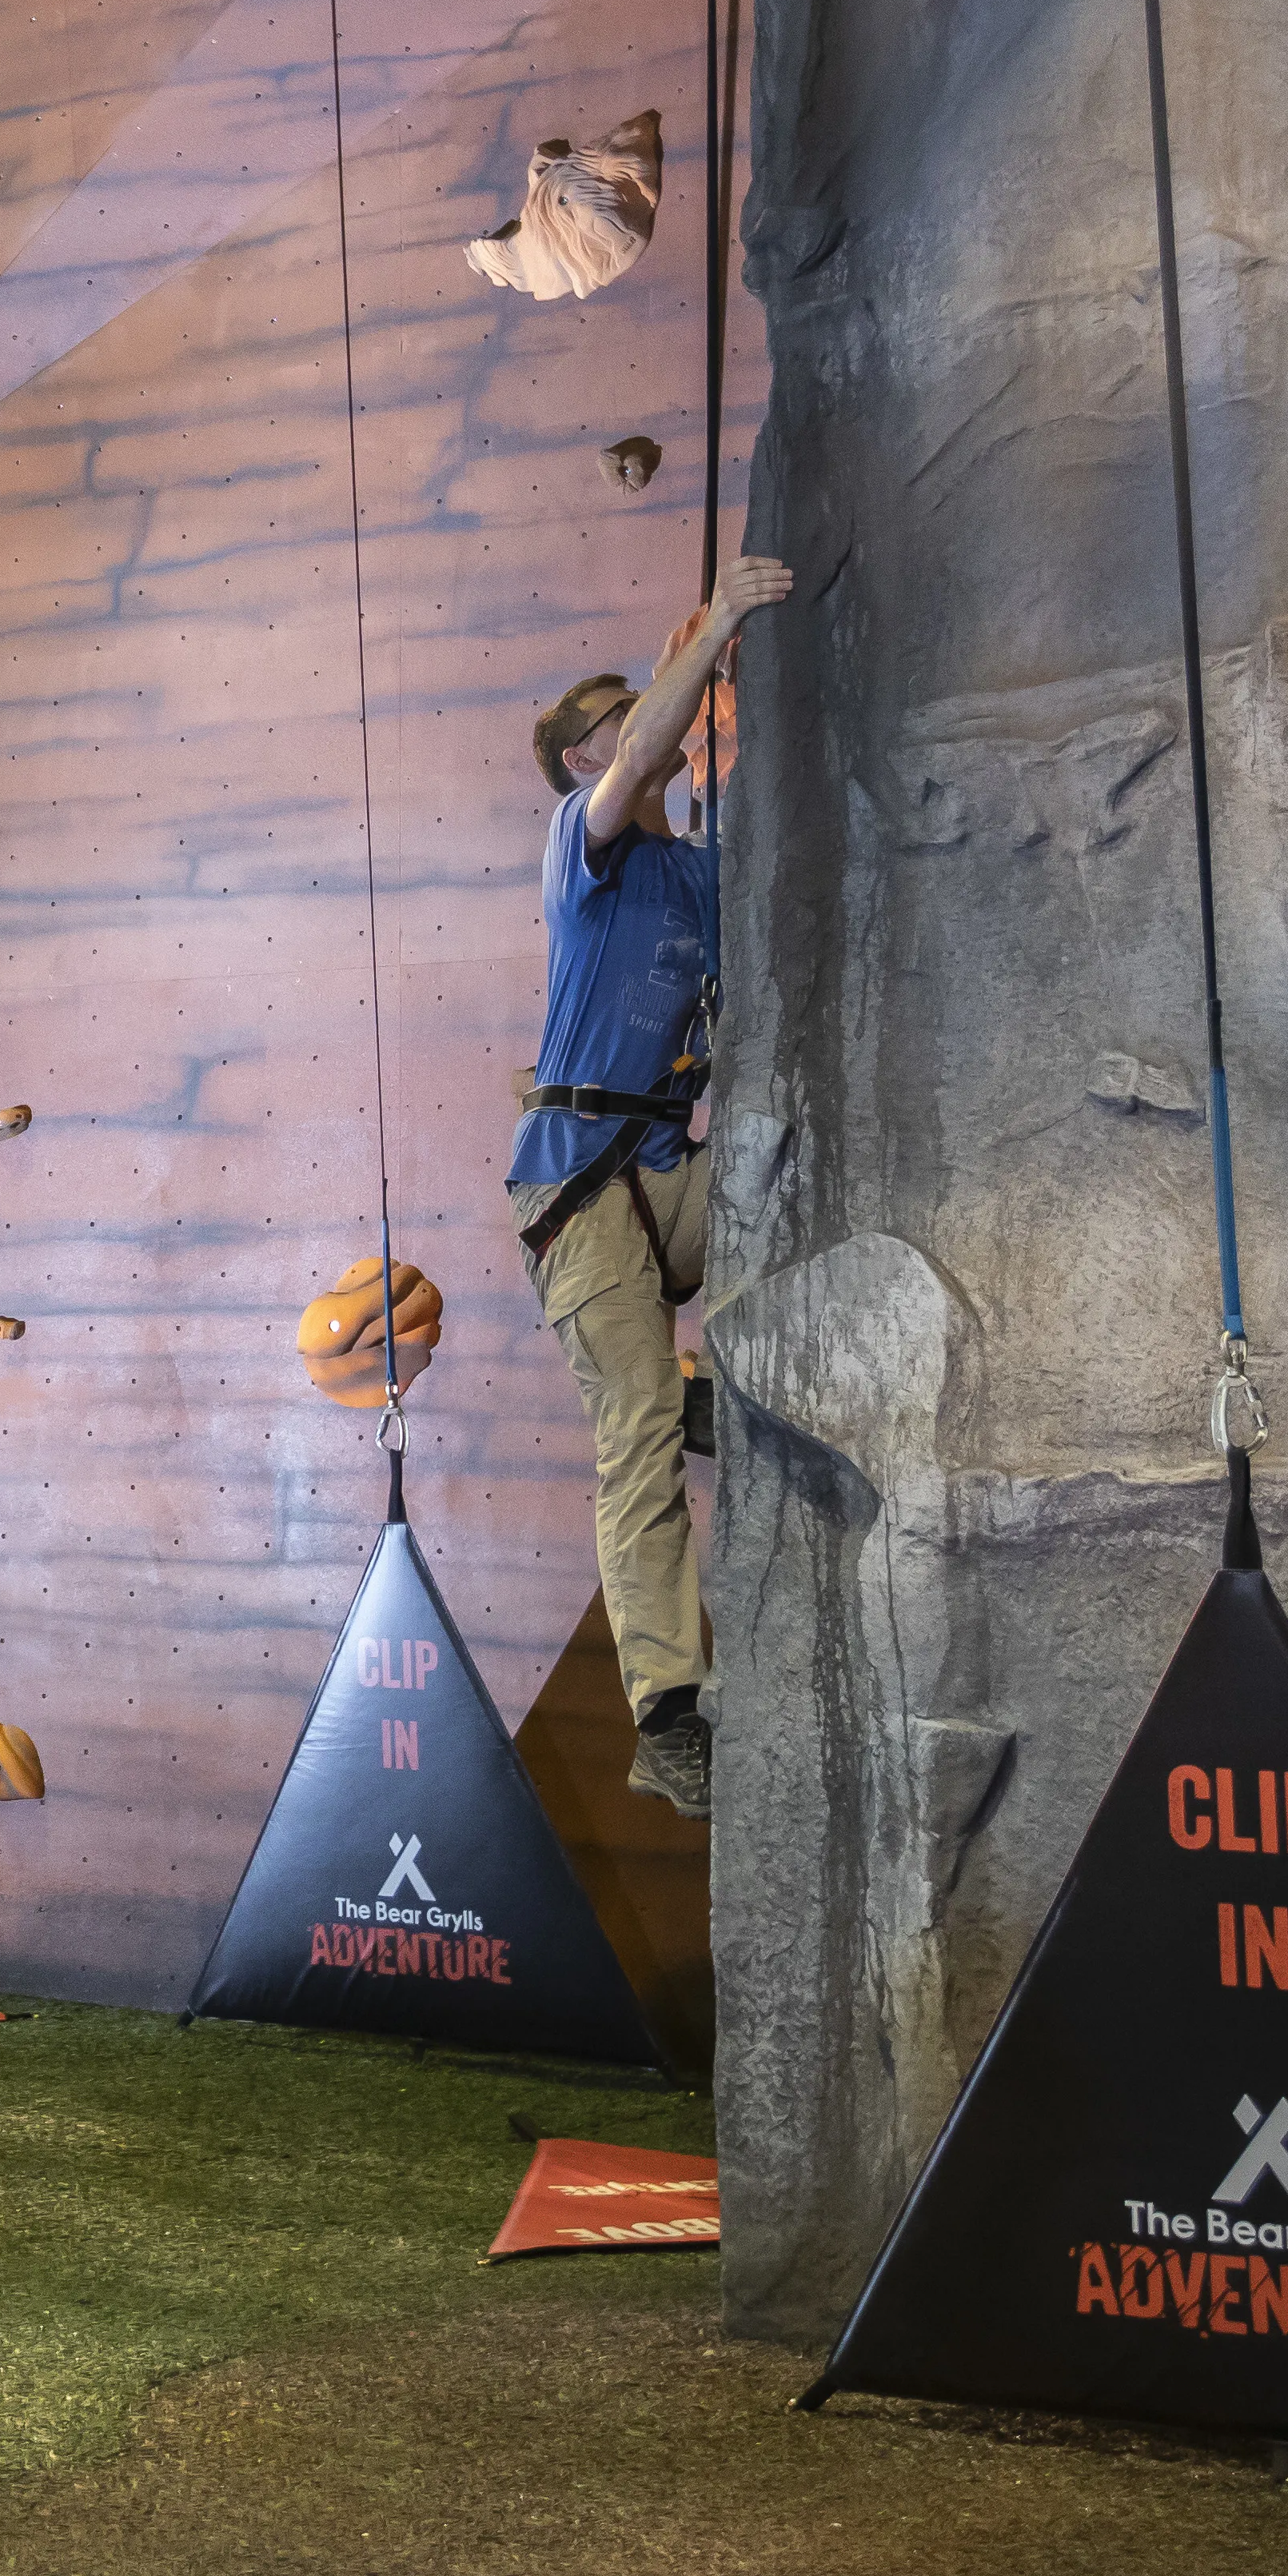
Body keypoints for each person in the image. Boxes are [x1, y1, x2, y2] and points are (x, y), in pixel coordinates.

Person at [513, 552, 791, 1823]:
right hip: (580, 1189)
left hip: (675, 1176)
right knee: (628, 1442)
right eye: (619, 719)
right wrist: (723, 614)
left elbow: (739, 781)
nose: (643, 727)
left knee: (784, 1157)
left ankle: (711, 1387)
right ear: (584, 758)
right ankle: (668, 1715)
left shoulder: (700, 871)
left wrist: (747, 673)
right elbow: (644, 766)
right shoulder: (588, 844)